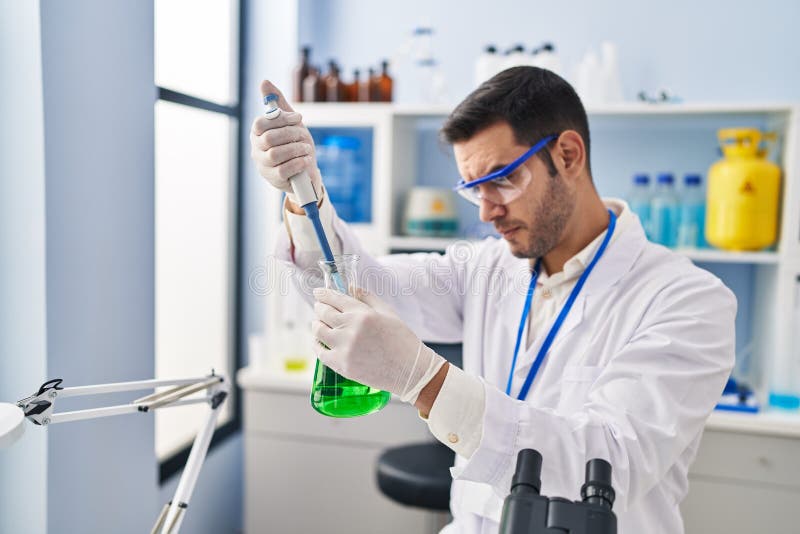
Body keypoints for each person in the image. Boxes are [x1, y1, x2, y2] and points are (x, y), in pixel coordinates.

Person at [249, 66, 736, 533]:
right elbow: (358, 284)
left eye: (502, 179)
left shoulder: (687, 300)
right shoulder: (486, 267)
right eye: (472, 189)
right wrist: (303, 194)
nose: (486, 212)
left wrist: (424, 380)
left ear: (568, 156)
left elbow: (607, 465)